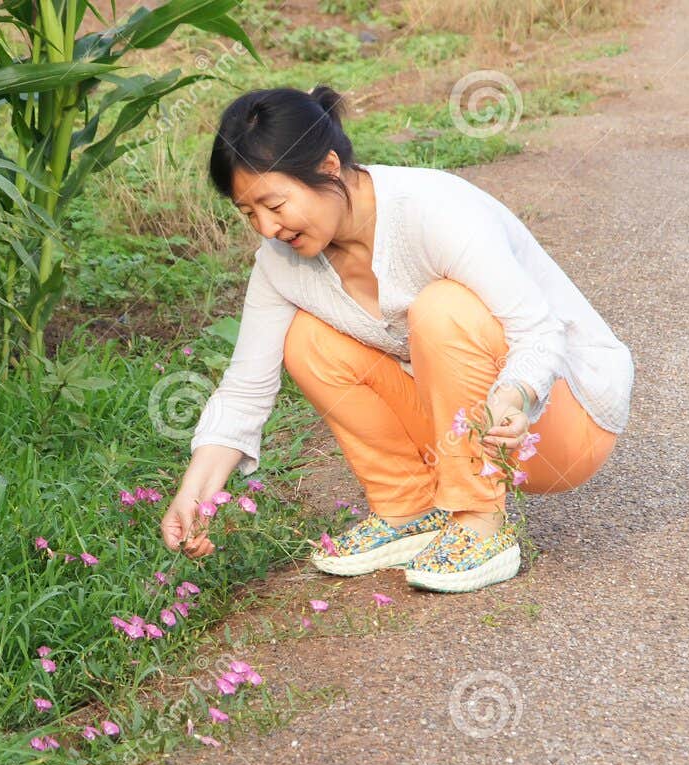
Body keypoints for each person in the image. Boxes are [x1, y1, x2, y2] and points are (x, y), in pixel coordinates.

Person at [160, 86, 633, 593]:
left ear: (328, 166)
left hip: (558, 419)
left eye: (274, 204)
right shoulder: (280, 264)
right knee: (307, 341)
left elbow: (537, 331)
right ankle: (409, 508)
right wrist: (196, 492)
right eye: (248, 213)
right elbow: (245, 387)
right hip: (462, 424)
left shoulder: (432, 210)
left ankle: (478, 519)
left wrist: (517, 395)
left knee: (440, 308)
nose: (268, 227)